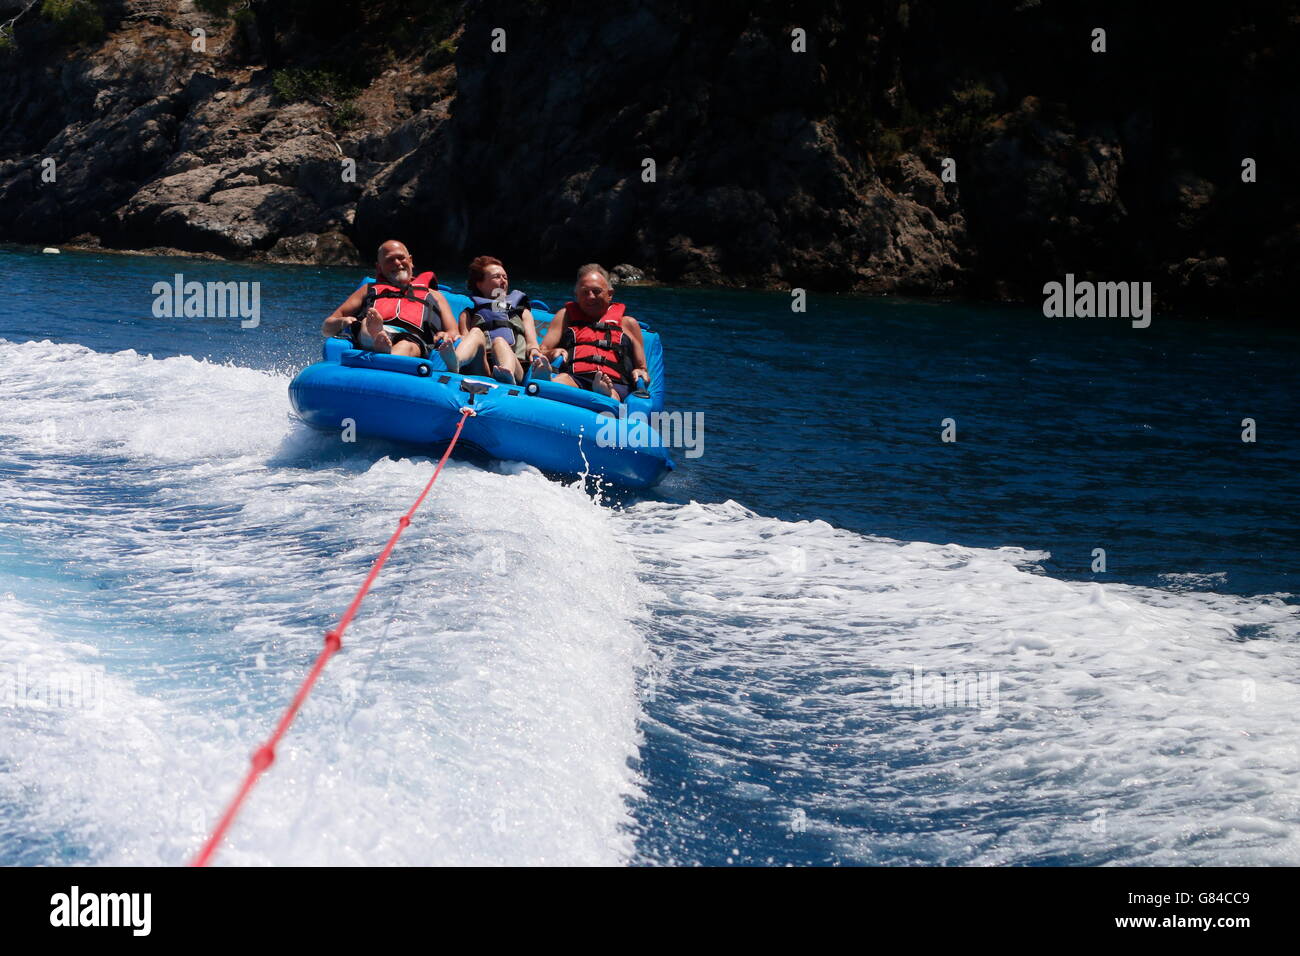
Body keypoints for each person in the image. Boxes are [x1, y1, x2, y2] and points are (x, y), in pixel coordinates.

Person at [321, 240, 488, 372]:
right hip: (376, 330)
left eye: (401, 258)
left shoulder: (434, 295)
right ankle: (377, 339)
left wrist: (446, 334)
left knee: (408, 346)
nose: (397, 263)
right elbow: (327, 327)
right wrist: (342, 322)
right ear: (379, 267)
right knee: (366, 324)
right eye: (389, 260)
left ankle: (386, 354)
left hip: (412, 337)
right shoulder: (369, 289)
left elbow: (453, 331)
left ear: (411, 260)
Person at [539, 264, 650, 400]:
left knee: (612, 396)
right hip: (575, 377)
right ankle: (544, 382)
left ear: (610, 294)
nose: (590, 297)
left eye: (597, 291)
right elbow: (542, 351)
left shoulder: (628, 324)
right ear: (577, 295)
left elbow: (642, 368)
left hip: (614, 383)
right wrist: (551, 353)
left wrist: (641, 372)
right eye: (585, 292)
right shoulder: (565, 316)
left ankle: (605, 393)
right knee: (560, 381)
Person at [458, 256, 551, 384]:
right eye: (497, 277)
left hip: (515, 365)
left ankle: (506, 375)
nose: (503, 281)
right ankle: (455, 362)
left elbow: (531, 343)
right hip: (482, 366)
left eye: (505, 277)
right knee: (475, 332)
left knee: (499, 342)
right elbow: (465, 339)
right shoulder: (469, 314)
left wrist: (535, 351)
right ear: (479, 284)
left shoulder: (521, 311)